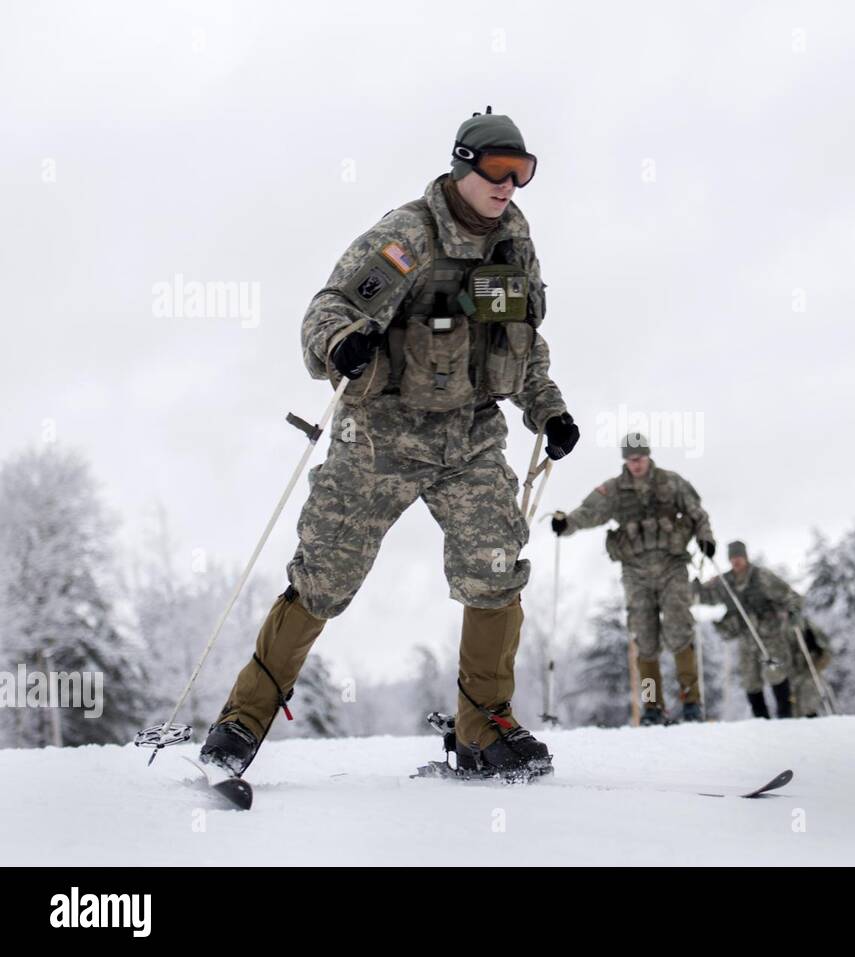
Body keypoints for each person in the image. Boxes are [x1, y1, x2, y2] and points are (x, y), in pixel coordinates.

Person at [200, 107, 580, 779]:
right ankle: (241, 721)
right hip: (381, 433)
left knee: (495, 565)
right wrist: (343, 343)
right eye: (497, 170)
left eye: (522, 172)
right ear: (464, 165)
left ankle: (483, 729)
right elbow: (326, 312)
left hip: (468, 434)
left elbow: (523, 343)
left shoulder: (514, 243)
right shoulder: (406, 236)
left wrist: (548, 412)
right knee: (325, 575)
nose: (508, 186)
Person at [552, 433, 713, 724]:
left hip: (672, 566)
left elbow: (697, 513)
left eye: (639, 458)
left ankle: (692, 703)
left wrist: (706, 539)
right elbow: (590, 512)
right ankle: (652, 706)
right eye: (629, 460)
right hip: (635, 572)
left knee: (680, 629)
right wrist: (566, 524)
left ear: (648, 456)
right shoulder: (614, 489)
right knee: (645, 638)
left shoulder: (672, 482)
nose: (635, 464)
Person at [694, 541, 800, 718]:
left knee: (777, 674)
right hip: (745, 637)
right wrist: (695, 588)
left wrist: (793, 611)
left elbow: (788, 595)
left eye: (739, 557)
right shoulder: (725, 582)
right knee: (750, 680)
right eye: (733, 557)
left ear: (745, 557)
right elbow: (706, 596)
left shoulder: (761, 577)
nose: (736, 561)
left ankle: (786, 718)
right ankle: (761, 720)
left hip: (769, 634)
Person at [788, 618, 833, 717]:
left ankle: (813, 724)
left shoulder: (807, 625)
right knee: (794, 706)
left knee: (808, 703)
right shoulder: (780, 626)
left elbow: (826, 651)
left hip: (810, 670)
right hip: (793, 674)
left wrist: (818, 652)